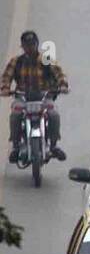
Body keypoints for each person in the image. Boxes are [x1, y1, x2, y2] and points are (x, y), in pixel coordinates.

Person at [1, 30, 69, 163]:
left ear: (37, 44)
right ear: (22, 46)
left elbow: (59, 74)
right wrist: (5, 89)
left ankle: (53, 145)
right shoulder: (16, 61)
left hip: (44, 96)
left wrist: (63, 86)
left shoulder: (46, 59)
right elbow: (6, 77)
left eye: (32, 44)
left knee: (53, 114)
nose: (30, 48)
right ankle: (15, 146)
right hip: (22, 97)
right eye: (26, 45)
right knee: (15, 115)